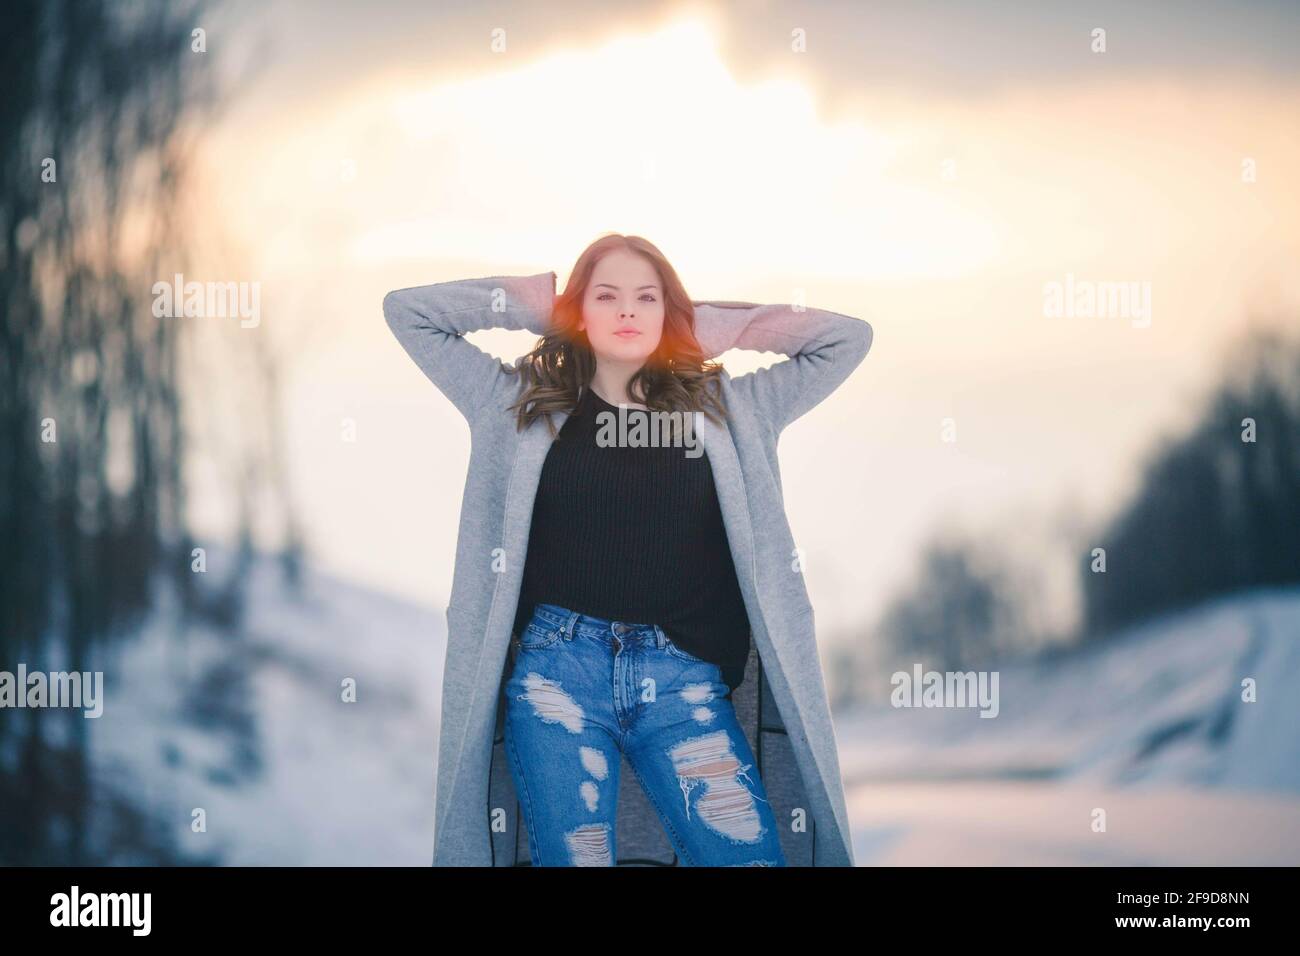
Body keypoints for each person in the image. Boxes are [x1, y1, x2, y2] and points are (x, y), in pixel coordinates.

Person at [383, 233, 873, 866]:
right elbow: (410, 313)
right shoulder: (513, 402)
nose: (626, 312)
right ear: (579, 309)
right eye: (605, 296)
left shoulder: (731, 411)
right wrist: (542, 304)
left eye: (647, 298)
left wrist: (701, 323)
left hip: (684, 682)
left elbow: (844, 340)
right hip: (557, 677)